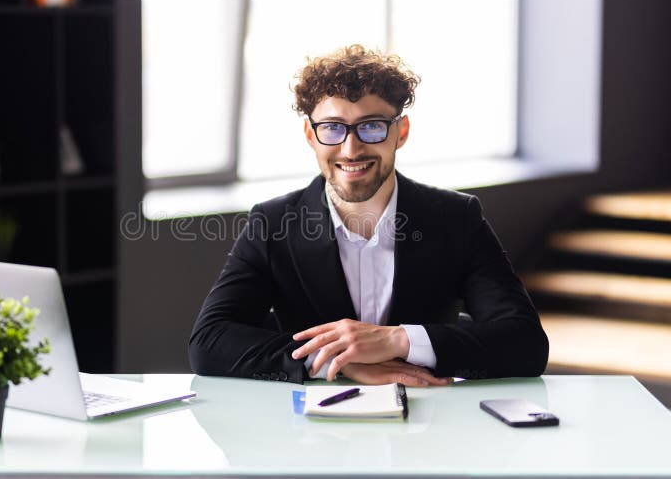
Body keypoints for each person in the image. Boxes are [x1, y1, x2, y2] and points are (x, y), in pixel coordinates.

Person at [188, 44, 548, 386]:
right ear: (311, 136)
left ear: (400, 131)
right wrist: (340, 361)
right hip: (311, 431)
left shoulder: (457, 218)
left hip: (430, 423)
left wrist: (397, 341)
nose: (351, 148)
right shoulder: (272, 223)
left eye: (371, 126)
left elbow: (526, 343)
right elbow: (208, 342)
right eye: (331, 128)